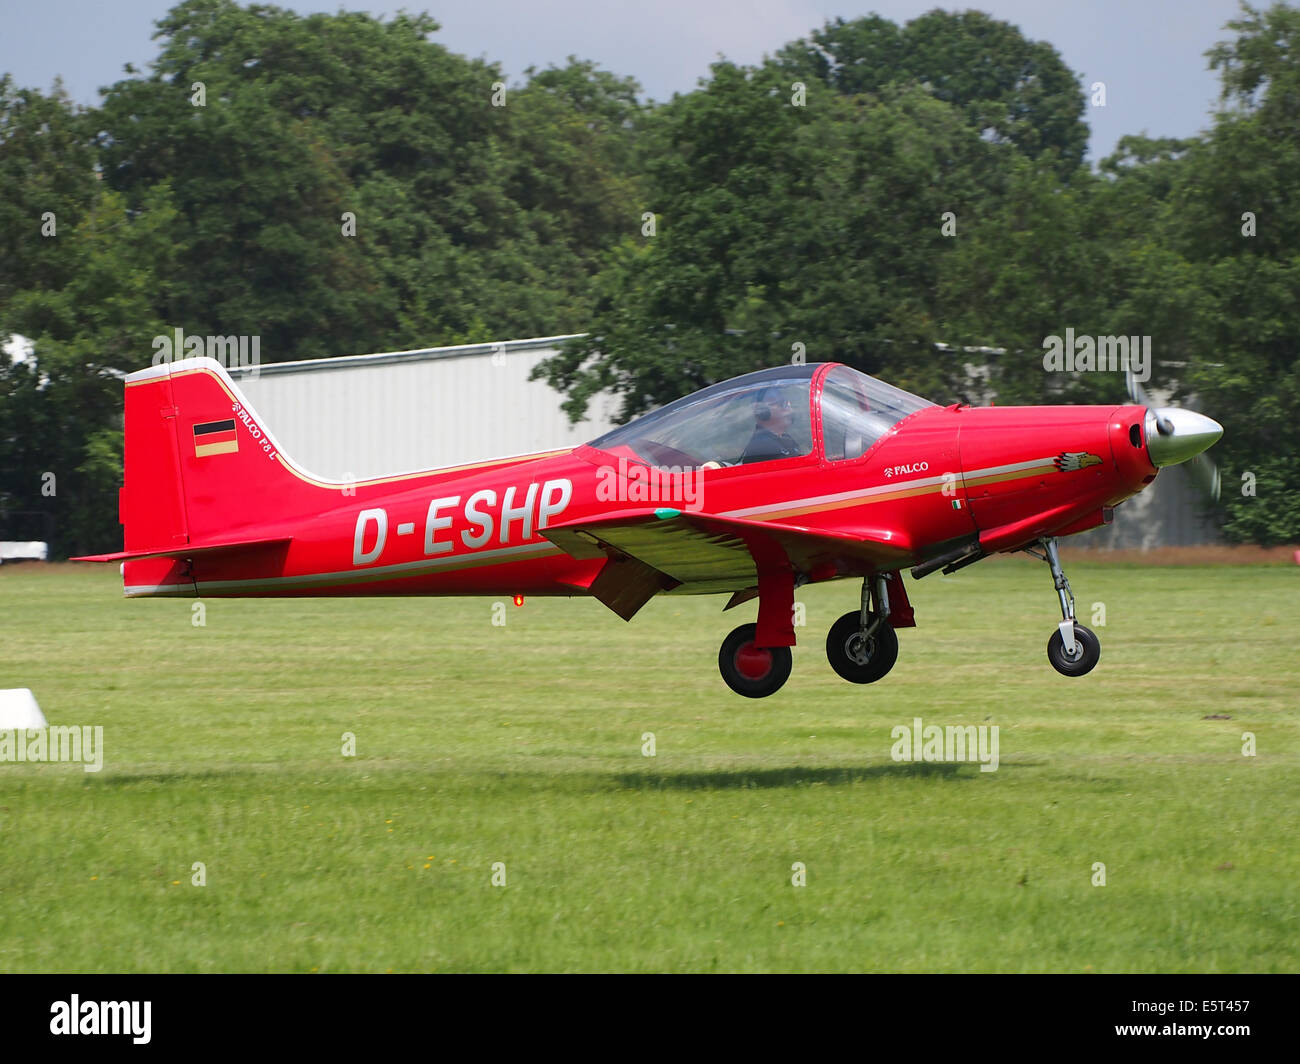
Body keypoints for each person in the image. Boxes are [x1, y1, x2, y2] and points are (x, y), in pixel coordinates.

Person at [741, 388, 803, 463]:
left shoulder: (785, 438)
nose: (788, 407)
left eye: (786, 403)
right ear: (762, 413)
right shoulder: (763, 446)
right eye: (780, 403)